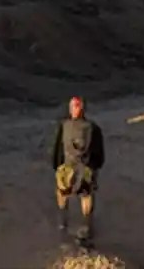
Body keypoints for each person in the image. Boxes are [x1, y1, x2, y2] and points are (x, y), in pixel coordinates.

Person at [51, 96, 105, 244]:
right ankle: (86, 226)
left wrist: (57, 167)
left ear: (71, 109)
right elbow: (99, 154)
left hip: (67, 168)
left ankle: (63, 223)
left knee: (62, 194)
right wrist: (94, 168)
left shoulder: (63, 125)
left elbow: (57, 150)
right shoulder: (93, 128)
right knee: (87, 196)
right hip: (85, 169)